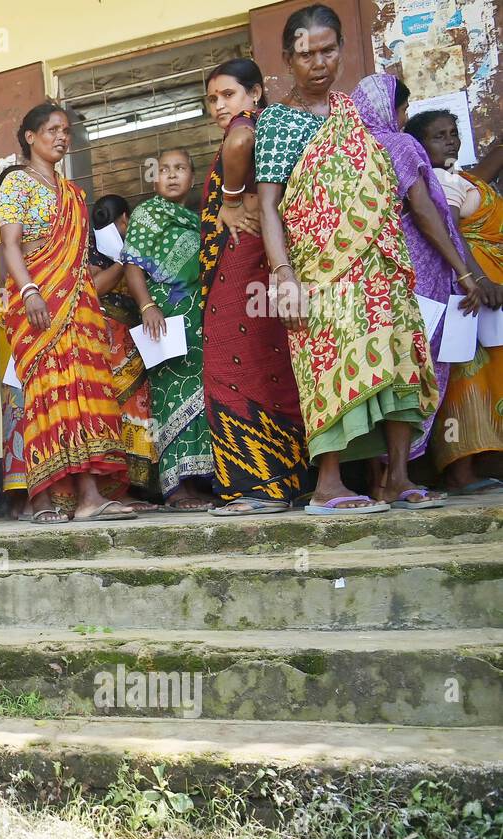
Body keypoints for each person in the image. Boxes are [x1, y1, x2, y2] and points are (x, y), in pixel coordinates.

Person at [255, 4, 440, 514]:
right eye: (306, 53)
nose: (319, 62)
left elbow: (377, 184)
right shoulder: (276, 123)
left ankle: (396, 478)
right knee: (327, 366)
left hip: (379, 262)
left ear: (341, 50)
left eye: (328, 50)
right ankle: (329, 484)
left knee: (398, 355)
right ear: (288, 59)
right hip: (320, 270)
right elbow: (269, 205)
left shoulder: (351, 113)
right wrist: (284, 277)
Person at [352, 74, 502, 467]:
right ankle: (403, 472)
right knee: (418, 370)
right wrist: (468, 275)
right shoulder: (400, 147)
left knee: (385, 372)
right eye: (402, 109)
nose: (402, 118)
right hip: (419, 279)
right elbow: (431, 216)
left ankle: (385, 475)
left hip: (373, 281)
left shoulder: (349, 150)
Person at [0, 102, 135, 523]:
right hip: (39, 307)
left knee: (84, 392)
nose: (61, 137)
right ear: (30, 137)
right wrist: (32, 291)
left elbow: (79, 262)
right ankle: (49, 498)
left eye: (66, 130)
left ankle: (88, 495)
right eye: (52, 129)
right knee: (48, 396)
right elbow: (10, 245)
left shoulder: (73, 193)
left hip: (78, 310)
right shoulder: (17, 185)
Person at [197, 59, 309, 515]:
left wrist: (229, 200)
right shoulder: (273, 130)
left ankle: (255, 487)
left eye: (229, 94)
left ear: (256, 94)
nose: (221, 106)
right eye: (213, 99)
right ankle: (285, 479)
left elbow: (240, 138)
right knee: (269, 362)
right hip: (256, 266)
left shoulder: (246, 129)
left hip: (240, 265)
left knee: (231, 367)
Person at [406, 110, 503, 494]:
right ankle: (460, 470)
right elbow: (453, 231)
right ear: (419, 145)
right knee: (466, 377)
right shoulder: (441, 183)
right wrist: (476, 277)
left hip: (479, 286)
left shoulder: (459, 176)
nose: (450, 140)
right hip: (466, 290)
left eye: (453, 132)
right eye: (438, 136)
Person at [121, 148, 217, 511]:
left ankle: (198, 481)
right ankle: (175, 488)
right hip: (162, 322)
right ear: (154, 177)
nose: (173, 175)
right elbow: (132, 266)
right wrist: (147, 306)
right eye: (165, 169)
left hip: (198, 323)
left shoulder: (198, 220)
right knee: (170, 397)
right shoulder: (148, 214)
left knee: (201, 398)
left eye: (180, 169)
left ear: (192, 178)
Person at [89, 195, 161, 507]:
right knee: (116, 409)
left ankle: (143, 485)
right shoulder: (95, 252)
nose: (123, 226)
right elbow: (95, 288)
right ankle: (119, 490)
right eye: (118, 222)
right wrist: (122, 261)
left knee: (141, 408)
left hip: (140, 338)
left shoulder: (144, 245)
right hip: (108, 343)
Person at [0, 167, 32, 519]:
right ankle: (20, 494)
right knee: (19, 406)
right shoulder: (4, 228)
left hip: (26, 324)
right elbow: (5, 278)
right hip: (17, 326)